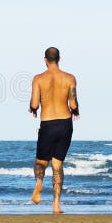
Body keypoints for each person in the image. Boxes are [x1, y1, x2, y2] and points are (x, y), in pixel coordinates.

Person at [29, 47, 79, 214]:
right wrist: (76, 112)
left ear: (45, 60)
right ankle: (56, 205)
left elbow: (35, 104)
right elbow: (73, 104)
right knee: (58, 164)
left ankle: (38, 184)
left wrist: (33, 108)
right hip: (65, 124)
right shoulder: (70, 78)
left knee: (41, 162)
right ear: (59, 59)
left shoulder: (38, 79)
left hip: (48, 123)